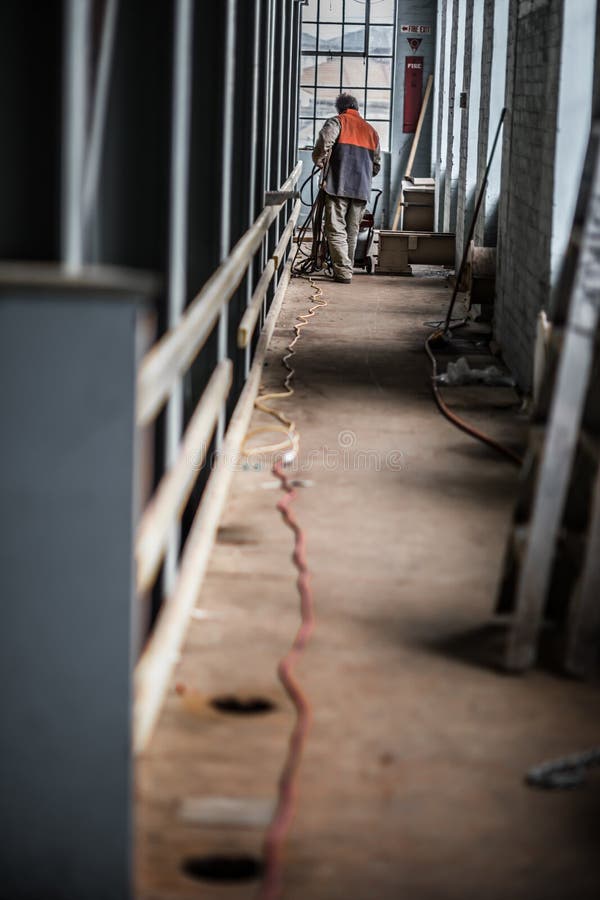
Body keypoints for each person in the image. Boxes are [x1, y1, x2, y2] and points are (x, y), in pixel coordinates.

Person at [312, 93, 381, 284]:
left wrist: (319, 160)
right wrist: (362, 176)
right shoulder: (371, 131)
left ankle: (343, 272)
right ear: (356, 108)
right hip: (361, 190)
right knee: (351, 232)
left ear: (340, 109)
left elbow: (325, 143)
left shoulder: (337, 122)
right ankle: (345, 268)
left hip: (337, 186)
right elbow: (376, 166)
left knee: (335, 230)